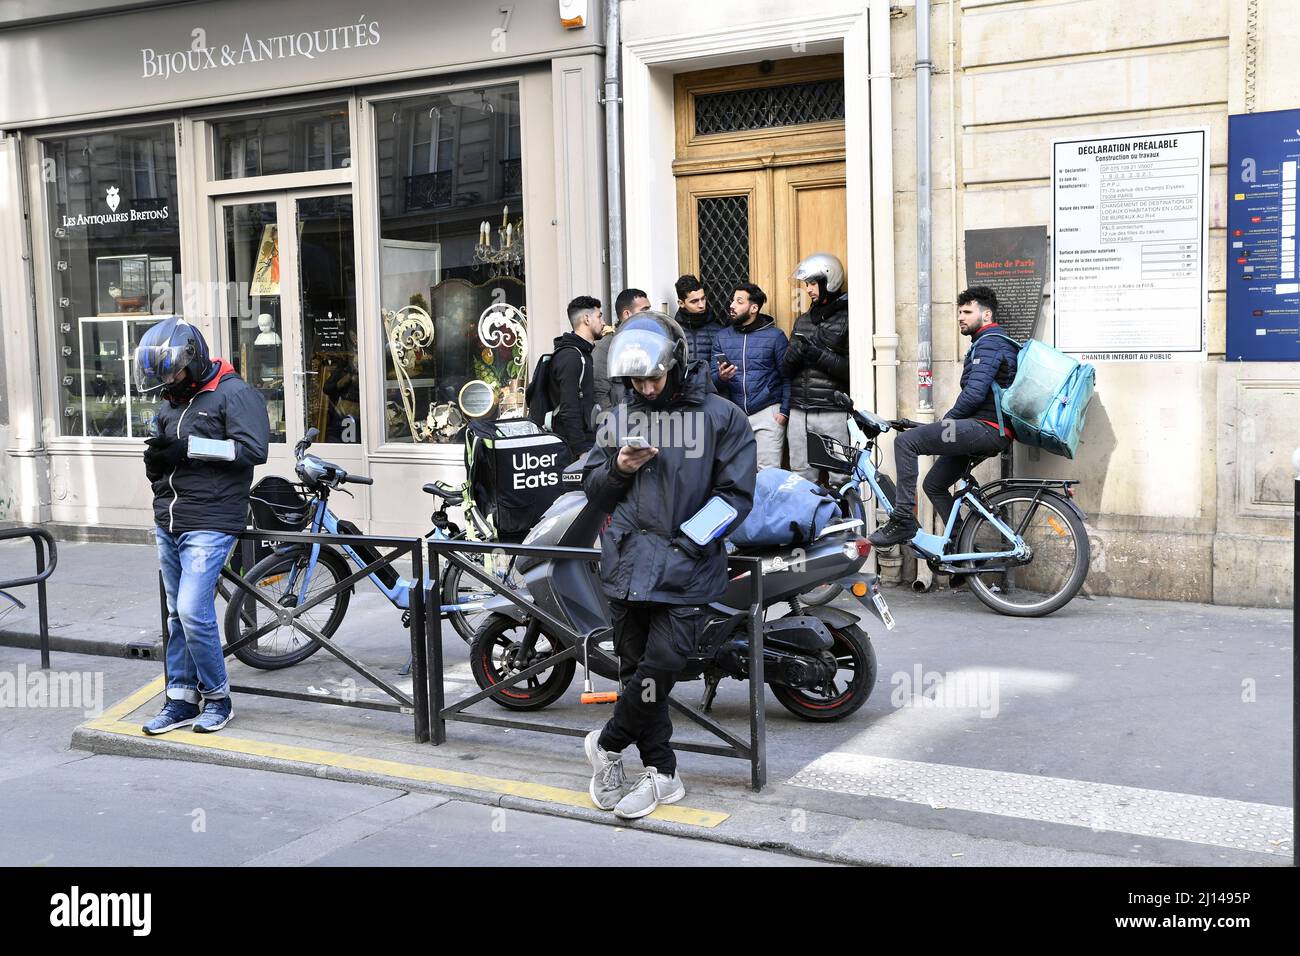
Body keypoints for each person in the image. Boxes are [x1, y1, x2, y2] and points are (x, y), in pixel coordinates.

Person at [582, 312, 756, 819]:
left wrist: (685, 546)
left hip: (686, 570)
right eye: (637, 380)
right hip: (625, 567)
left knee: (658, 670)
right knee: (637, 672)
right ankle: (664, 775)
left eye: (654, 377)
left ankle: (608, 744)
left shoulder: (724, 417)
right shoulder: (618, 420)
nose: (647, 387)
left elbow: (734, 497)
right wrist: (618, 468)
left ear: (676, 365)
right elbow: (594, 488)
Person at [133, 317, 269, 735]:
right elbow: (162, 460)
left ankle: (218, 699)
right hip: (170, 518)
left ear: (193, 360)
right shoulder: (170, 401)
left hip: (212, 518)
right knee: (178, 614)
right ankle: (180, 699)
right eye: (162, 375)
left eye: (173, 371)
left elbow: (254, 449)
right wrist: (156, 465)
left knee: (193, 611)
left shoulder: (234, 392)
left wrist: (188, 448)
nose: (168, 381)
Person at [869, 286, 1018, 547]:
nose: (960, 317)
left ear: (986, 315)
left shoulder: (991, 343)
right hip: (985, 429)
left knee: (906, 443)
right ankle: (961, 546)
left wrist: (945, 423)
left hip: (987, 429)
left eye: (967, 312)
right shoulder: (987, 343)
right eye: (959, 311)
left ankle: (903, 518)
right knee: (935, 484)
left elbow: (973, 396)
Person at [782, 252, 852, 483]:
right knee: (800, 477)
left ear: (829, 281)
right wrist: (791, 356)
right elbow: (785, 370)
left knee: (840, 476)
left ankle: (844, 518)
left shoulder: (849, 318)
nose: (809, 289)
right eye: (807, 284)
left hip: (832, 410)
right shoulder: (802, 320)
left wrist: (818, 355)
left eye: (813, 283)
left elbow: (852, 371)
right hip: (799, 411)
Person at [712, 282, 790, 471]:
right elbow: (711, 378)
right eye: (732, 300)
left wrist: (784, 412)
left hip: (767, 412)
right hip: (734, 415)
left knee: (768, 475)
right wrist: (721, 377)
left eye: (739, 301)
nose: (732, 305)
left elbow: (787, 376)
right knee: (737, 473)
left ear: (753, 308)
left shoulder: (775, 336)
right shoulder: (721, 337)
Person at [548, 295, 604, 457]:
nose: (603, 322)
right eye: (599, 316)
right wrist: (580, 451)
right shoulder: (571, 357)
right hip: (574, 448)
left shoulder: (582, 353)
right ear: (586, 319)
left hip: (586, 440)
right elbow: (569, 407)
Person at [592, 287, 651, 416]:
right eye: (644, 310)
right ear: (627, 314)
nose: (649, 315)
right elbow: (599, 393)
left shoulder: (648, 343)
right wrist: (611, 425)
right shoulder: (607, 347)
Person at [673, 274, 724, 375]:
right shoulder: (672, 331)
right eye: (694, 301)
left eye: (703, 299)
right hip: (682, 389)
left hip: (710, 389)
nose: (701, 305)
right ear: (681, 303)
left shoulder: (718, 331)